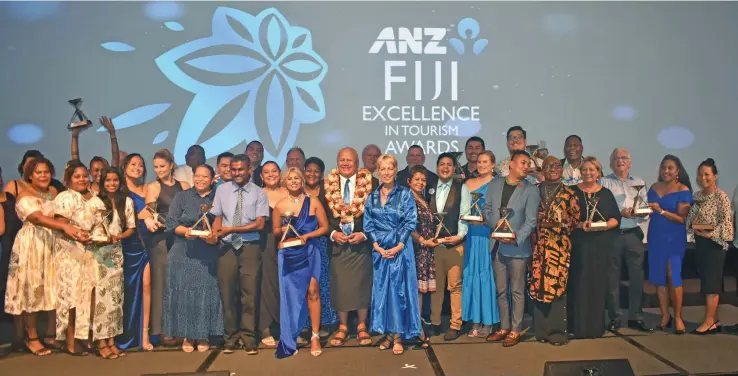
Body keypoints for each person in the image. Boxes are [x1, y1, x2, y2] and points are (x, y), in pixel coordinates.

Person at [5, 157, 84, 356]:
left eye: (46, 172)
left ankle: (51, 334)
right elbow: (38, 218)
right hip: (32, 245)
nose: (43, 175)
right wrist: (65, 226)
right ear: (30, 175)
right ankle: (32, 338)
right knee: (34, 289)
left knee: (53, 288)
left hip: (52, 244)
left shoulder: (53, 192)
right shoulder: (24, 194)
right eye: (38, 172)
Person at [212, 154, 269, 355]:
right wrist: (215, 233)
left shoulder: (259, 192)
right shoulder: (221, 190)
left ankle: (249, 338)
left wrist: (232, 229)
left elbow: (260, 224)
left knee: (249, 295)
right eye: (233, 169)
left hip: (250, 247)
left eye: (240, 169)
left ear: (249, 170)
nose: (236, 173)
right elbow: (218, 218)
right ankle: (231, 338)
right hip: (227, 248)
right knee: (228, 294)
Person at [364, 154, 421, 355]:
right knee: (383, 291)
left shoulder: (405, 194)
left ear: (396, 170)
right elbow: (368, 224)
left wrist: (399, 245)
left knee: (399, 291)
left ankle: (397, 336)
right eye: (383, 168)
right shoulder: (371, 197)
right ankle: (388, 333)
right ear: (378, 171)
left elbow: (410, 221)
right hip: (380, 250)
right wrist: (377, 246)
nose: (386, 172)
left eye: (390, 168)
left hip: (400, 249)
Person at [164, 164, 224, 352]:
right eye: (197, 176)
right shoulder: (182, 196)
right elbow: (172, 223)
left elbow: (223, 222)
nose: (200, 179)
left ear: (212, 178)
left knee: (206, 293)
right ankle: (187, 336)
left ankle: (203, 335)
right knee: (185, 294)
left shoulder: (218, 197)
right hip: (183, 250)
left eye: (204, 176)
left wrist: (214, 236)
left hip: (208, 252)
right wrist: (186, 231)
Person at [322, 147, 377, 347]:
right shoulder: (326, 185)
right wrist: (332, 233)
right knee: (340, 285)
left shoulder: (372, 184)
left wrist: (364, 234)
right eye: (342, 160)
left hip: (361, 245)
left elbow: (378, 216)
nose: (346, 163)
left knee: (362, 285)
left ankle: (362, 325)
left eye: (350, 160)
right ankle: (343, 326)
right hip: (338, 245)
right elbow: (321, 216)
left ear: (357, 163)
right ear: (337, 161)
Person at [484, 150, 539, 347]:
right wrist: (498, 227)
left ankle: (515, 330)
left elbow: (531, 221)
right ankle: (504, 327)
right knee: (500, 290)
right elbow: (487, 210)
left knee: (517, 291)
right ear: (511, 164)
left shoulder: (531, 189)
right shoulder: (495, 183)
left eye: (528, 163)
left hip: (518, 247)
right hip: (497, 245)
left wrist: (515, 237)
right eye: (523, 162)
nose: (526, 166)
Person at [273, 167, 329, 358]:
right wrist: (284, 227)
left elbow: (325, 227)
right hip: (288, 255)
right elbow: (274, 232)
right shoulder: (279, 206)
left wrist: (307, 236)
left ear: (302, 180)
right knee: (291, 296)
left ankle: (315, 335)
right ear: (284, 182)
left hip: (310, 251)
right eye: (290, 179)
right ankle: (291, 336)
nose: (294, 181)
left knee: (313, 291)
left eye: (297, 178)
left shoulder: (312, 201)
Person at [599, 148, 653, 332]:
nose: (620, 161)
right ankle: (615, 317)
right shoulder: (604, 182)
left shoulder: (639, 182)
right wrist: (618, 213)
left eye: (624, 158)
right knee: (612, 279)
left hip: (633, 234)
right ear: (611, 162)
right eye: (616, 158)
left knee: (637, 278)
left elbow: (644, 208)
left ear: (629, 162)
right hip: (612, 235)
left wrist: (638, 214)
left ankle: (636, 317)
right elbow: (601, 208)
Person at [567, 157, 621, 339]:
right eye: (585, 170)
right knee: (578, 284)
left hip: (600, 246)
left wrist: (603, 226)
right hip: (579, 245)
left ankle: (596, 327)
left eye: (592, 170)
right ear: (580, 172)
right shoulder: (572, 192)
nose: (588, 173)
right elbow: (566, 219)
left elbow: (616, 218)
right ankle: (577, 326)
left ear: (598, 172)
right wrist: (580, 224)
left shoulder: (606, 194)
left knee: (598, 285)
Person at [530, 156, 580, 345]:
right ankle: (541, 332)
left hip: (558, 247)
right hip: (537, 248)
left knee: (557, 288)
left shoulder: (569, 193)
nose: (554, 169)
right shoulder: (534, 191)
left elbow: (575, 219)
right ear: (542, 169)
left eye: (558, 166)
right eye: (550, 166)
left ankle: (557, 333)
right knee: (538, 287)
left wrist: (560, 224)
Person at [142, 149, 189, 347]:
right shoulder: (153, 187)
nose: (159, 170)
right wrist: (147, 219)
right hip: (161, 240)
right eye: (156, 167)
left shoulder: (184, 185)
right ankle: (163, 331)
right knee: (162, 284)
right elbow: (150, 212)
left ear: (171, 165)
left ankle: (181, 329)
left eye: (162, 166)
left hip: (181, 240)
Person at [88, 167, 136, 359]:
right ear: (102, 182)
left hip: (116, 253)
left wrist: (118, 237)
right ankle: (101, 342)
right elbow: (88, 228)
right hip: (98, 255)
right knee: (101, 299)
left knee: (116, 300)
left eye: (115, 180)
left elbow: (131, 227)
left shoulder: (127, 201)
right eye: (107, 180)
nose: (111, 184)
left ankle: (112, 341)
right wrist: (103, 239)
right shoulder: (94, 202)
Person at [53, 161, 99, 356]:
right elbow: (61, 222)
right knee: (72, 296)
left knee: (89, 296)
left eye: (84, 175)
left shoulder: (95, 197)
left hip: (91, 251)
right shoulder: (64, 197)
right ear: (69, 179)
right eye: (77, 176)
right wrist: (79, 235)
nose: (82, 179)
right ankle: (70, 339)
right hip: (70, 252)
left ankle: (85, 337)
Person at [686, 158, 733, 334]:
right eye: (700, 174)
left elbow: (727, 226)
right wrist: (694, 223)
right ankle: (714, 319)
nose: (703, 177)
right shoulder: (697, 196)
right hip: (701, 244)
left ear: (715, 176)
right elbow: (690, 221)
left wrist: (708, 234)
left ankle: (709, 321)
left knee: (712, 284)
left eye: (707, 174)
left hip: (715, 246)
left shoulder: (721, 196)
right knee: (706, 283)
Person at [647, 155, 693, 334]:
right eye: (663, 167)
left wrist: (662, 210)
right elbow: (649, 212)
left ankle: (679, 317)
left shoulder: (683, 190)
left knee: (673, 276)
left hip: (674, 239)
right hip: (656, 237)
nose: (666, 171)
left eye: (670, 168)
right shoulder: (653, 188)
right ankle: (665, 314)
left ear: (677, 171)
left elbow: (681, 219)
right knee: (659, 277)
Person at [427, 153, 470, 341]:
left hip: (454, 245)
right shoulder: (428, 188)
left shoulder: (462, 188)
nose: (445, 167)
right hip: (434, 246)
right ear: (437, 167)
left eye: (449, 165)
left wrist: (459, 236)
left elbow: (464, 214)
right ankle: (435, 323)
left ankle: (455, 324)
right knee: (436, 287)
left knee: (455, 286)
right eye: (442, 164)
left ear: (454, 168)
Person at [116, 153, 154, 351]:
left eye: (141, 164)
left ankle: (145, 335)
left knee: (147, 286)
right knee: (127, 290)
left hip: (147, 243)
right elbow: (120, 220)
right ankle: (124, 333)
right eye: (133, 164)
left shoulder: (148, 188)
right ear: (124, 167)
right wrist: (140, 216)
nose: (137, 168)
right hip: (128, 245)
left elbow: (154, 211)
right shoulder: (120, 192)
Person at [463, 151, 499, 338]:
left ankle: (488, 321)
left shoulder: (498, 184)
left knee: (487, 277)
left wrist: (486, 221)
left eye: (486, 162)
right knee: (472, 276)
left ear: (493, 164)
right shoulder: (468, 184)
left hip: (488, 235)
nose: (482, 164)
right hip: (471, 236)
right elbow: (463, 209)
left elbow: (500, 212)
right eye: (479, 162)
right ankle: (474, 320)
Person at [303, 157, 339, 337]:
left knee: (322, 282)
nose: (312, 174)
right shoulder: (296, 191)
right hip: (300, 245)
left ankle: (325, 322)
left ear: (322, 174)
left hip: (322, 242)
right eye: (308, 170)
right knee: (303, 284)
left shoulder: (329, 192)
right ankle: (305, 323)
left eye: (316, 171)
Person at [258, 161, 288, 348]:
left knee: (286, 284)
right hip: (266, 243)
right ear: (261, 176)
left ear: (280, 173)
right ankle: (265, 328)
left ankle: (288, 327)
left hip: (290, 243)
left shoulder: (289, 192)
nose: (270, 174)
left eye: (274, 171)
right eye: (266, 172)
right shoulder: (257, 194)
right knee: (267, 284)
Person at [407, 165, 435, 347]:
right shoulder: (408, 198)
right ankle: (416, 330)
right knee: (415, 291)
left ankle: (416, 327)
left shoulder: (423, 198)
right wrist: (422, 241)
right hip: (415, 250)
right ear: (408, 181)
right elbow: (408, 227)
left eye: (423, 180)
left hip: (426, 250)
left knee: (420, 292)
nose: (420, 183)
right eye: (416, 179)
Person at [0, 166, 25, 352]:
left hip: (14, 248)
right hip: (4, 248)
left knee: (17, 293)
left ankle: (20, 337)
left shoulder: (9, 199)